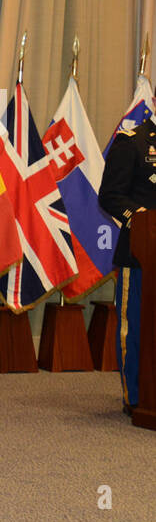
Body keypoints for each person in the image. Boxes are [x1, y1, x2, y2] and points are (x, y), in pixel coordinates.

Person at [99, 108, 156, 413]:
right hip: (141, 255)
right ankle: (135, 396)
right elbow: (109, 196)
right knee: (134, 327)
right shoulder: (132, 142)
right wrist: (142, 218)